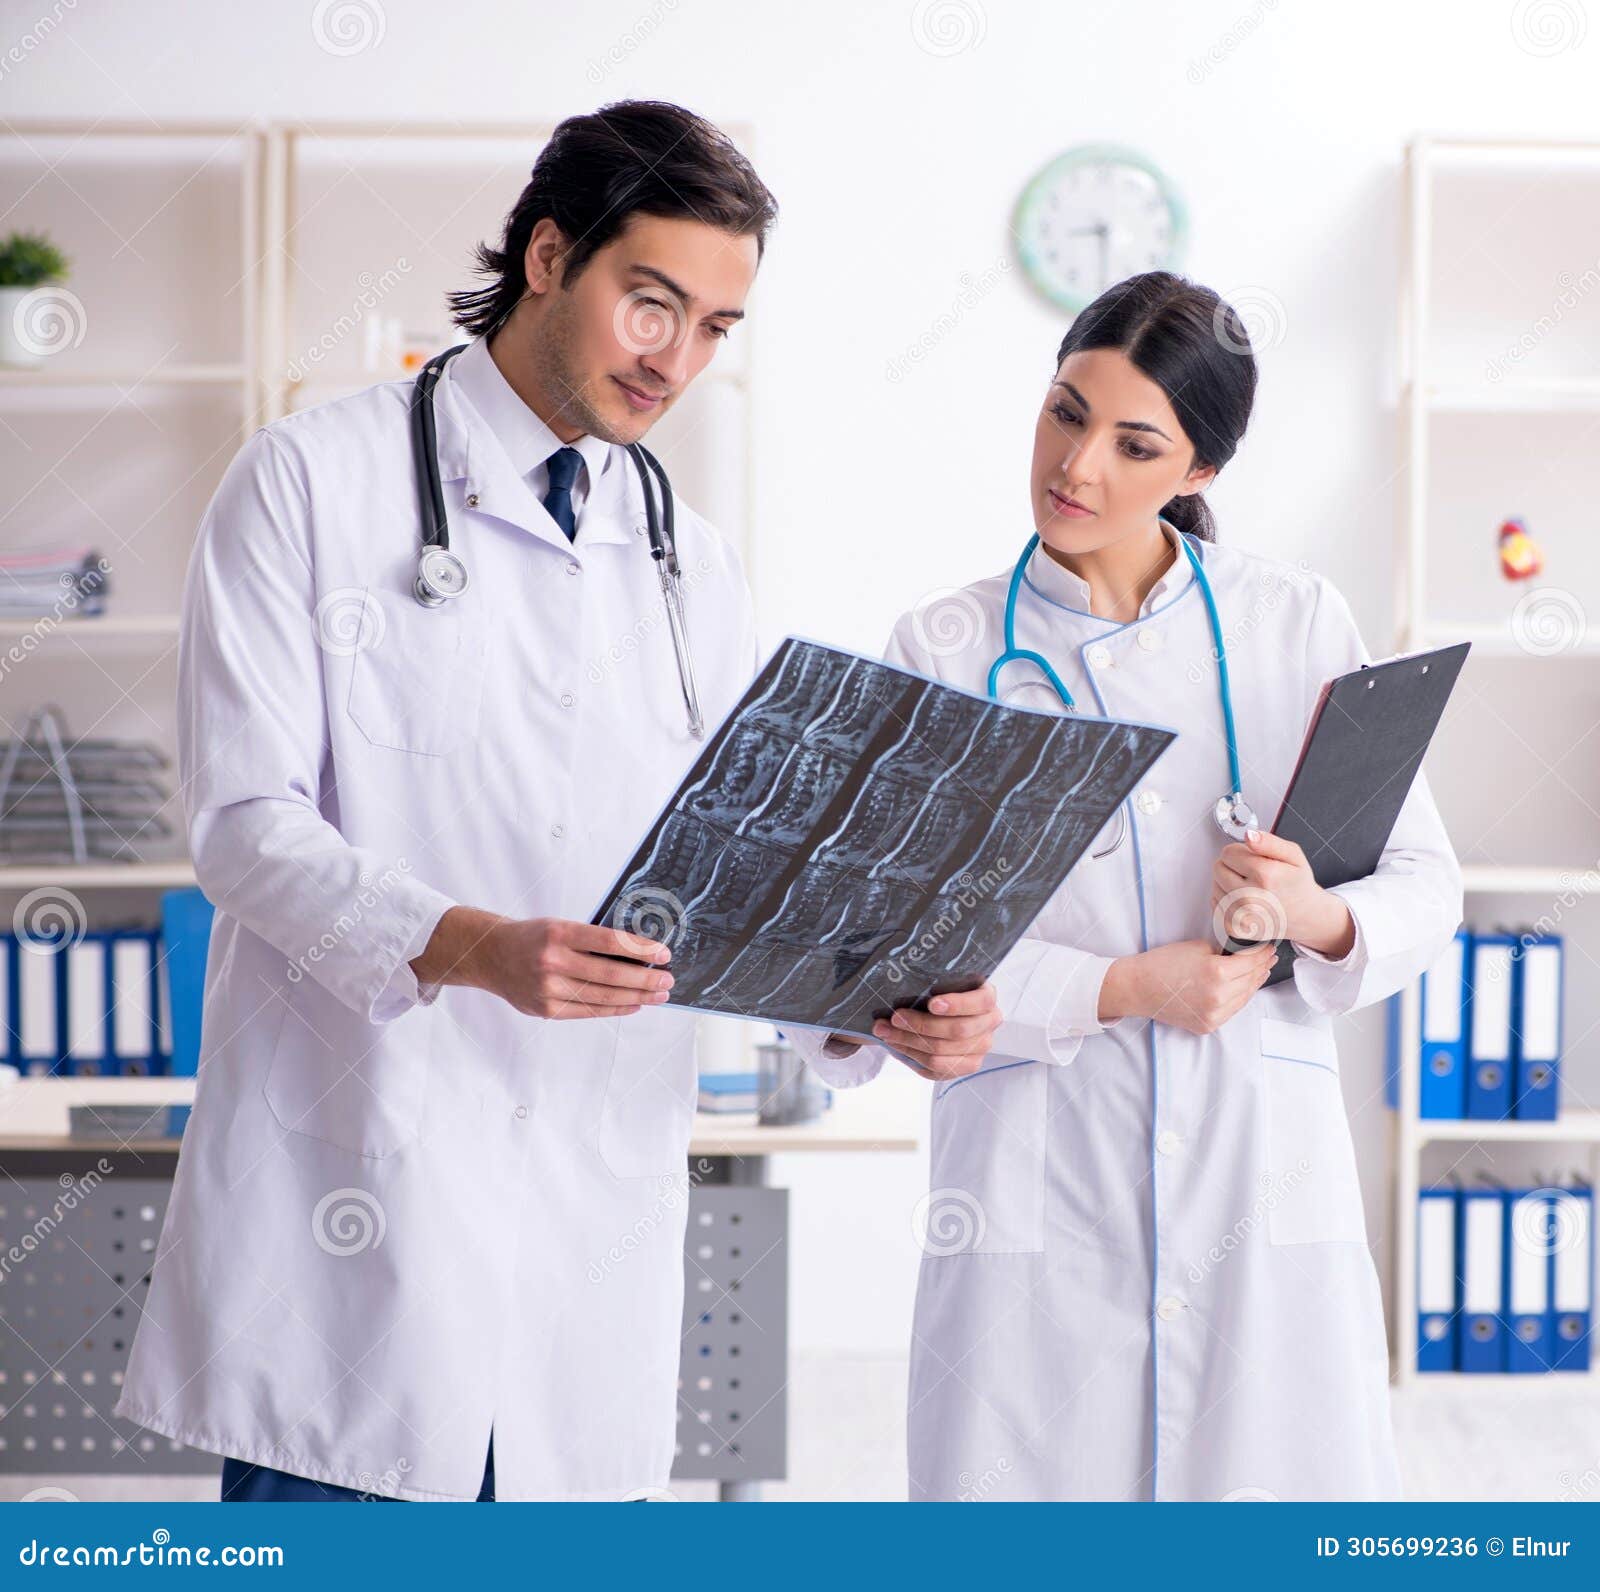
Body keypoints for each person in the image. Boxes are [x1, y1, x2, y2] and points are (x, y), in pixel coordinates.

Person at [114, 98, 1001, 1503]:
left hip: (587, 1245)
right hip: (362, 1230)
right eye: (652, 304)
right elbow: (241, 826)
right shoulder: (308, 482)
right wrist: (473, 947)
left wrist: (869, 994)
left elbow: (730, 873)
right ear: (546, 256)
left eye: (716, 327)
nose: (678, 360)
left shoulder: (684, 562)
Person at [806, 271, 1463, 1502]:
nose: (1076, 464)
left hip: (1256, 1195)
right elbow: (883, 944)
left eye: (1133, 442)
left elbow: (1427, 886)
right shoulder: (944, 651)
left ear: (1200, 470)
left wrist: (1314, 912)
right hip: (1032, 1207)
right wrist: (1117, 987)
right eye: (1064, 412)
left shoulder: (1293, 621)